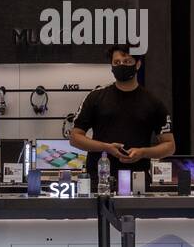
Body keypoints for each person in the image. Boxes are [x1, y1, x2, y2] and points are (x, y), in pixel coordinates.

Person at [69, 46, 175, 182]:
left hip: (138, 181)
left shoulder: (153, 102)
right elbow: (75, 138)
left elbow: (169, 146)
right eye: (117, 62)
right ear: (111, 66)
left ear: (138, 64)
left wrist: (143, 152)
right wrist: (106, 148)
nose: (121, 65)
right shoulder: (96, 97)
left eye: (127, 61)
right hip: (100, 180)